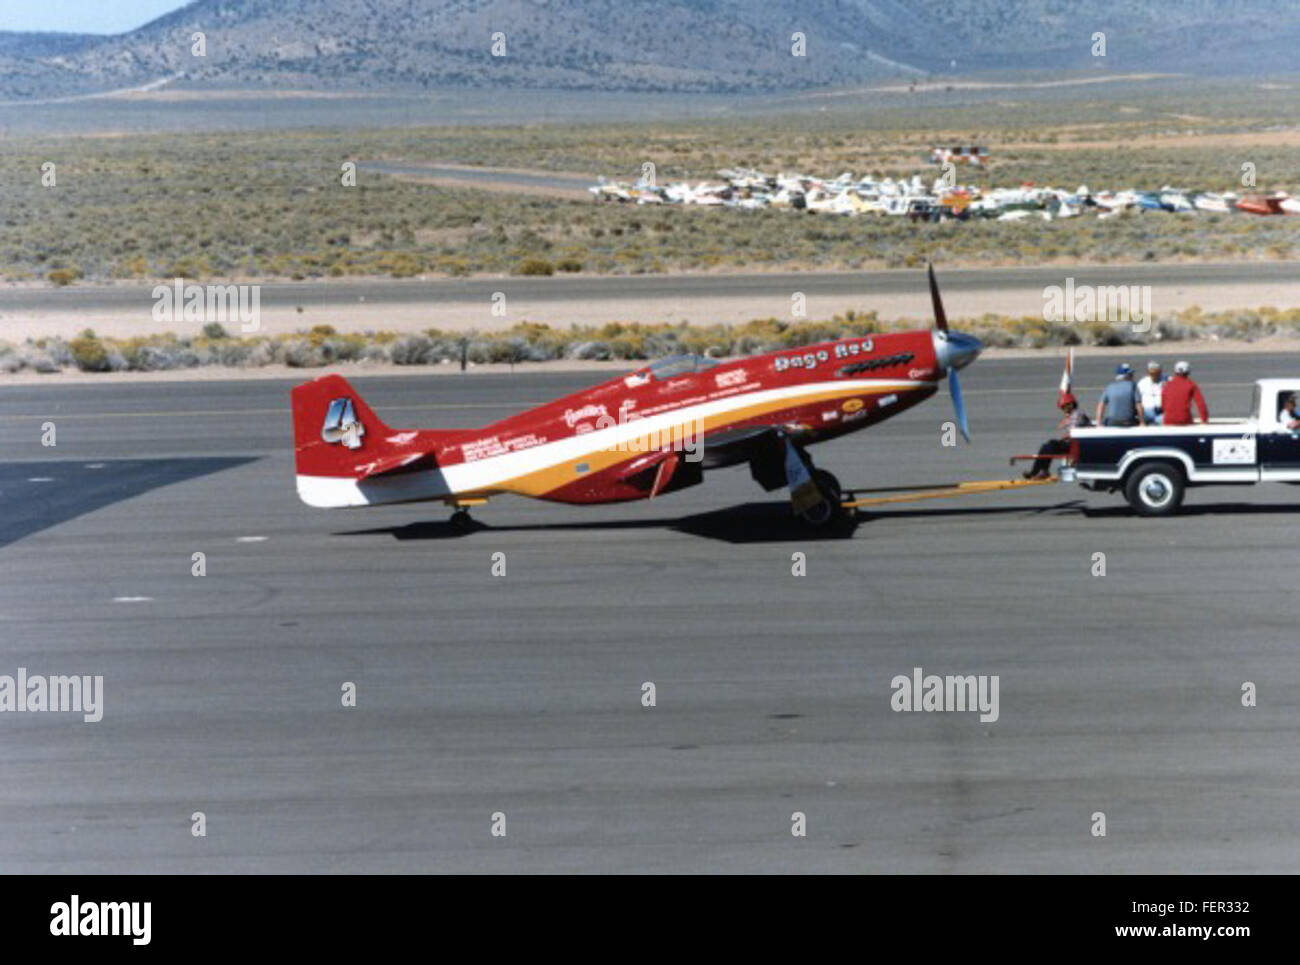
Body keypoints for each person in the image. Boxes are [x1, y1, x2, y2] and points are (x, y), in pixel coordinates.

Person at [1024, 393, 1091, 479]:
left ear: (1071, 404)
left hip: (1075, 445)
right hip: (1071, 444)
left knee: (1050, 445)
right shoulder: (1071, 415)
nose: (1063, 409)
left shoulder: (1078, 415)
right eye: (1062, 407)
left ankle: (1038, 472)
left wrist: (1065, 435)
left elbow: (1075, 430)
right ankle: (1041, 471)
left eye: (1064, 407)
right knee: (1046, 447)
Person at [1096, 363, 1145, 427]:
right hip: (1129, 422)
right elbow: (1139, 405)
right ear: (1126, 376)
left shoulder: (1109, 387)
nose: (1133, 376)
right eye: (1131, 374)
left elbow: (1101, 405)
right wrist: (1142, 422)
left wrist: (1098, 423)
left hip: (1112, 422)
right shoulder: (1133, 386)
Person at [1161, 360, 1208, 425]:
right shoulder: (1191, 384)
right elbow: (1200, 404)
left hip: (1168, 420)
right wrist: (1204, 420)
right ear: (1188, 372)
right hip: (1184, 419)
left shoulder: (1167, 384)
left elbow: (1163, 404)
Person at [1136, 361, 1165, 425]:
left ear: (1160, 372)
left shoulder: (1166, 381)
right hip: (1147, 412)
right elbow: (1137, 400)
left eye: (1156, 373)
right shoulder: (1142, 383)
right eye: (1151, 373)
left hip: (1162, 411)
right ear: (1148, 372)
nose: (1154, 375)